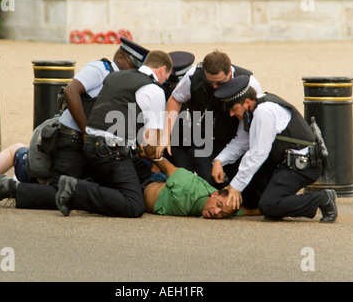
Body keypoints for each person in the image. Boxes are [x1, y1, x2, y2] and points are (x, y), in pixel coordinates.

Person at [0, 38, 150, 206]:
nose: (135, 72)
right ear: (120, 58)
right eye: (134, 66)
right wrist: (86, 131)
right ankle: (9, 187)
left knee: (87, 187)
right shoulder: (101, 69)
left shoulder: (122, 81)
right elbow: (70, 91)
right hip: (72, 139)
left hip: (93, 145)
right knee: (62, 192)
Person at [55, 50, 173, 218]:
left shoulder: (115, 76)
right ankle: (77, 189)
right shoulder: (155, 91)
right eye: (166, 77)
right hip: (112, 152)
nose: (164, 82)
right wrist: (162, 159)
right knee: (134, 206)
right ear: (162, 70)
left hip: (89, 145)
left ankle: (87, 186)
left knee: (145, 176)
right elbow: (150, 145)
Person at [211, 75, 338, 223]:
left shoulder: (263, 112)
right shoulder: (253, 109)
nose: (231, 114)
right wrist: (219, 161)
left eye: (234, 109)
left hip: (302, 166)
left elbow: (258, 153)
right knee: (242, 176)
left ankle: (322, 199)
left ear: (246, 102)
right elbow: (241, 143)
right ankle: (278, 201)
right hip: (284, 163)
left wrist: (235, 187)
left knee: (269, 205)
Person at [163, 50, 262, 188]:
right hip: (204, 139)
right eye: (210, 83)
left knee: (244, 187)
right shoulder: (194, 75)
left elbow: (243, 136)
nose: (215, 87)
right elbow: (175, 99)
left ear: (229, 72)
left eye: (220, 83)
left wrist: (220, 160)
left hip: (234, 139)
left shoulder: (249, 82)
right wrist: (165, 134)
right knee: (210, 184)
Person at [139, 145, 260, 219]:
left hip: (172, 187)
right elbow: (163, 164)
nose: (216, 212)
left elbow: (247, 211)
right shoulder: (189, 187)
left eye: (223, 214)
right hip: (148, 183)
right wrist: (151, 151)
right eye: (218, 206)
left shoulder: (227, 207)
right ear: (214, 194)